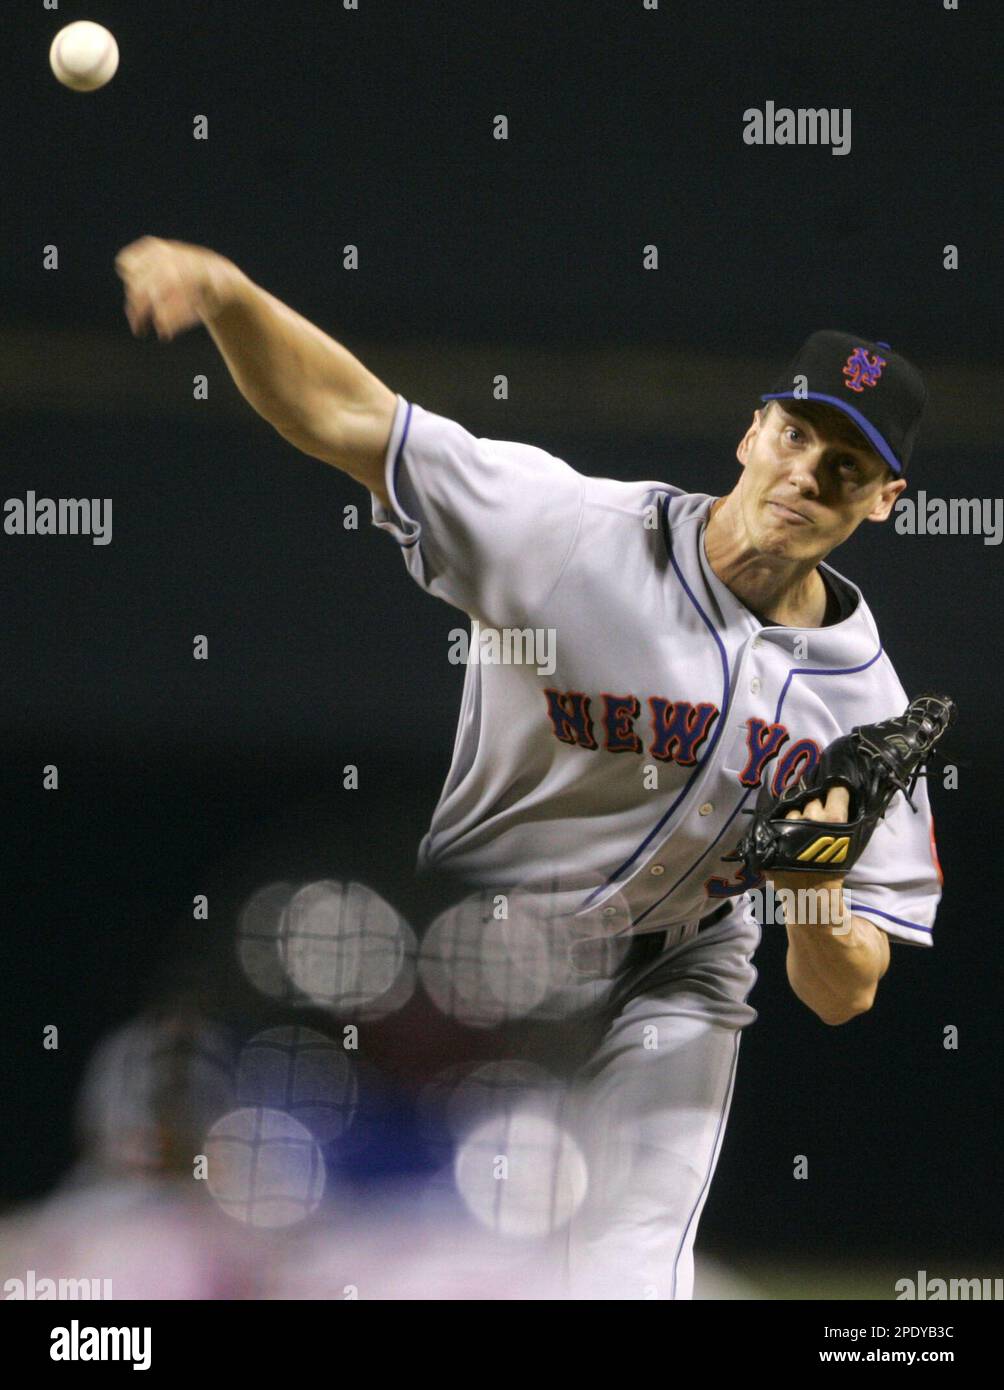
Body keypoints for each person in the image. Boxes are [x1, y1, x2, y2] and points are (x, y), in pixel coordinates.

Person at [115, 238, 942, 1298]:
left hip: (673, 979)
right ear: (751, 429)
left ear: (883, 499)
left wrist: (815, 887)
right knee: (373, 1262)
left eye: (846, 465)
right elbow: (349, 419)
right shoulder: (574, 531)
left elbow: (842, 994)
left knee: (624, 1287)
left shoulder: (863, 711)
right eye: (795, 434)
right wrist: (231, 297)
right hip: (473, 958)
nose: (805, 473)